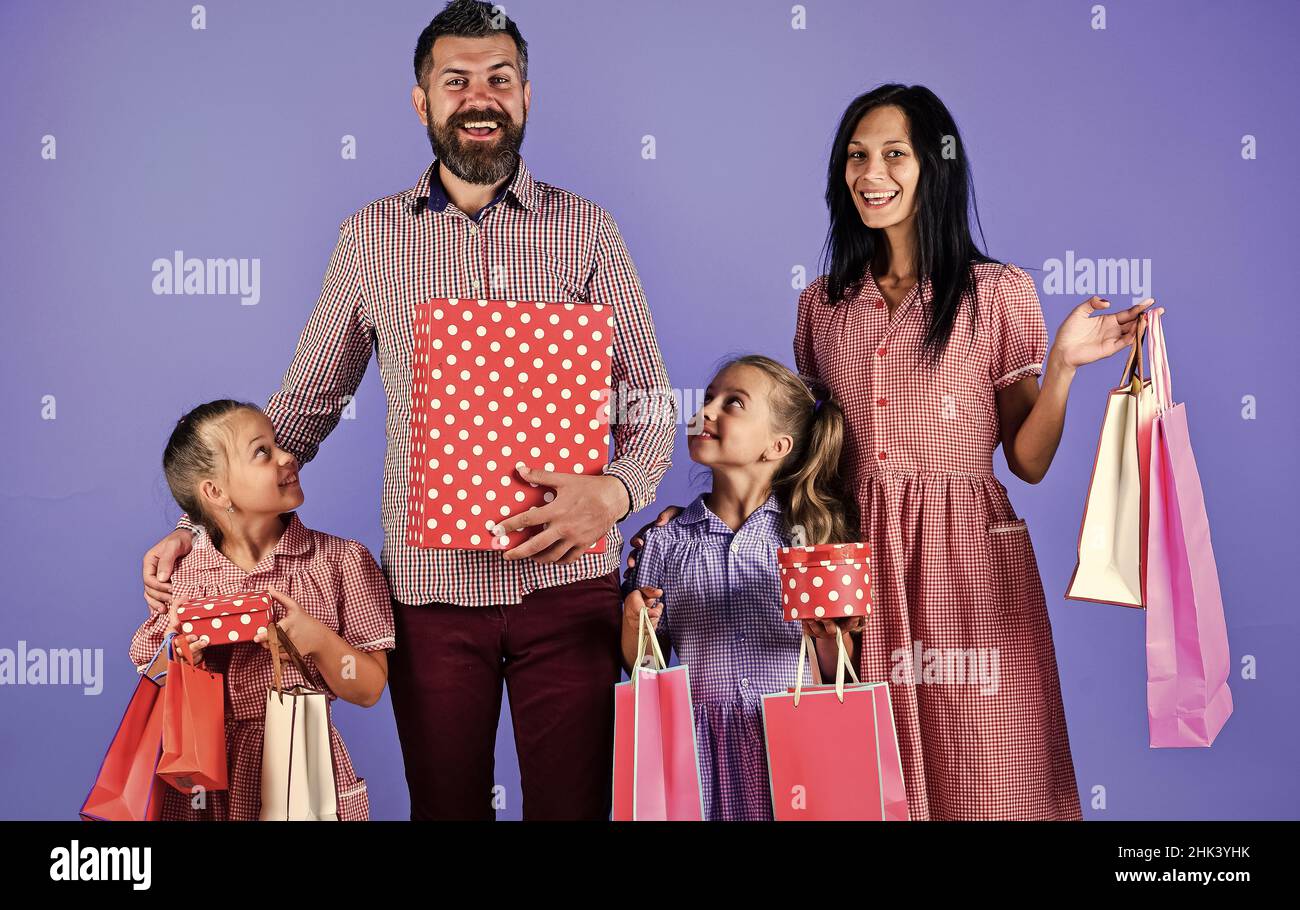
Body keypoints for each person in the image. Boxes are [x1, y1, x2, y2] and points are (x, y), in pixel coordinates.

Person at [139, 0, 675, 820]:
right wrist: (196, 528)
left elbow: (649, 405)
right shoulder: (370, 238)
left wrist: (617, 493)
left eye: (499, 78)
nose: (480, 97)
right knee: (446, 809)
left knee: (574, 809)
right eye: (455, 80)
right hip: (432, 596)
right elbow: (306, 406)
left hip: (570, 588)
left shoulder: (590, 232)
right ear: (422, 102)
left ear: (526, 95)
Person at [630, 84, 1163, 820]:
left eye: (892, 155)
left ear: (934, 167)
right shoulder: (822, 305)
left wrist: (1064, 368)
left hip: (971, 562)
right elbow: (802, 455)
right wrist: (700, 522)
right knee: (869, 772)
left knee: (988, 769)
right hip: (854, 559)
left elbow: (1029, 462)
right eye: (856, 156)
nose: (869, 173)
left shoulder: (996, 293)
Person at [621, 355, 862, 820]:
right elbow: (644, 665)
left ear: (777, 445)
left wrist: (828, 635)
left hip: (793, 746)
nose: (705, 411)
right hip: (697, 750)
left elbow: (838, 671)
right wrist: (635, 624)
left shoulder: (810, 541)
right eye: (708, 399)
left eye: (733, 403)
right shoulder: (664, 540)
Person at [130, 399, 394, 820]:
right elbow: (152, 684)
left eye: (277, 444)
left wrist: (316, 639)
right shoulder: (181, 576)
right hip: (206, 777)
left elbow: (369, 689)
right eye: (262, 452)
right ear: (215, 492)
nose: (287, 457)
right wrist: (180, 657)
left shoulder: (340, 561)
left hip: (302, 768)